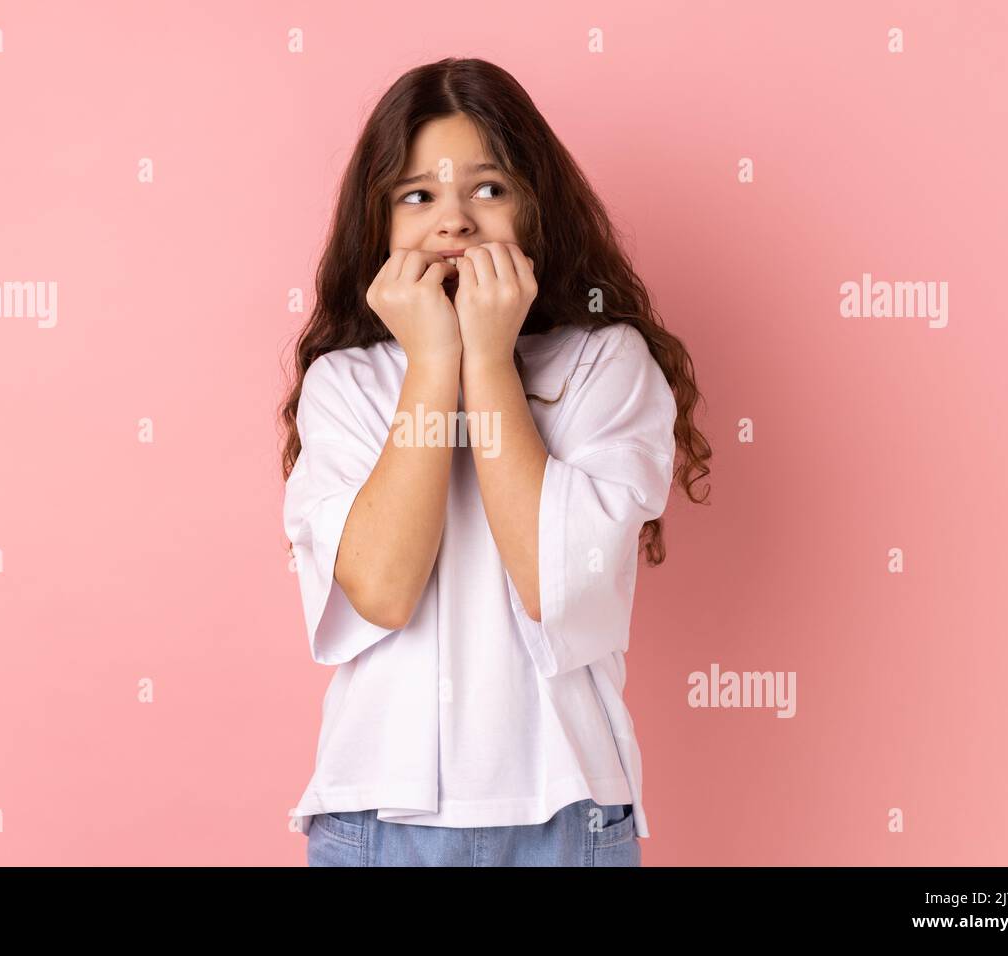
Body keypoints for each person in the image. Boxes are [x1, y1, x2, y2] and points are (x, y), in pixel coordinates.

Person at [279, 57, 711, 866]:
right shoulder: (345, 384)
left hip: (566, 812)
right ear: (378, 227)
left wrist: (488, 358)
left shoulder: (605, 364)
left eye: (488, 189)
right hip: (375, 817)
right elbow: (379, 588)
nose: (455, 223)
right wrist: (433, 364)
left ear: (535, 210)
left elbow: (554, 580)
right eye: (418, 196)